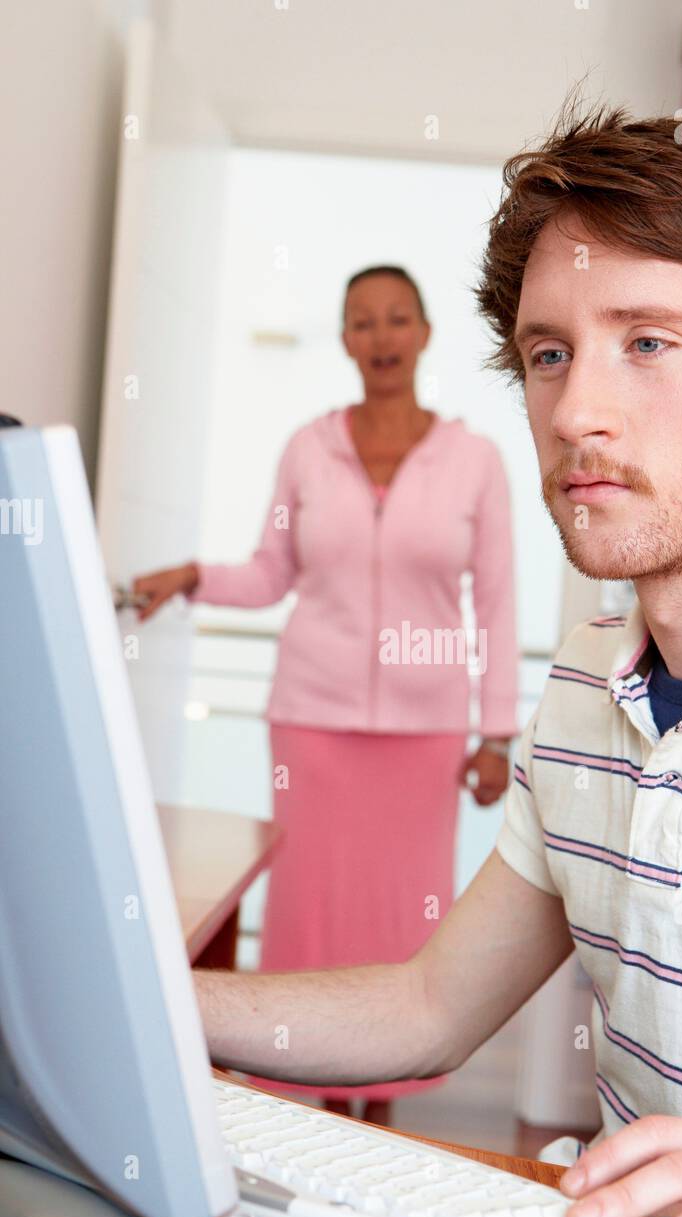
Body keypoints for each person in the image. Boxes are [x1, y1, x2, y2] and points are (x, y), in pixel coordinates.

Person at [193, 96, 682, 1217]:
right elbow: (427, 1005)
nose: (572, 412)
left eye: (646, 342)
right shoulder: (582, 694)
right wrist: (132, 1002)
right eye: (549, 352)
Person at [133, 265, 520, 1127]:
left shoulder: (475, 461)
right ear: (345, 340)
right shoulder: (309, 448)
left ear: (423, 333)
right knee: (310, 910)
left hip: (423, 735)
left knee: (402, 923)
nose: (380, 338)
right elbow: (272, 572)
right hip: (311, 720)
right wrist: (196, 576)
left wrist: (497, 734)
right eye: (360, 323)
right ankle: (298, 1102)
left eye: (395, 320)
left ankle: (376, 1108)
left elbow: (495, 602)